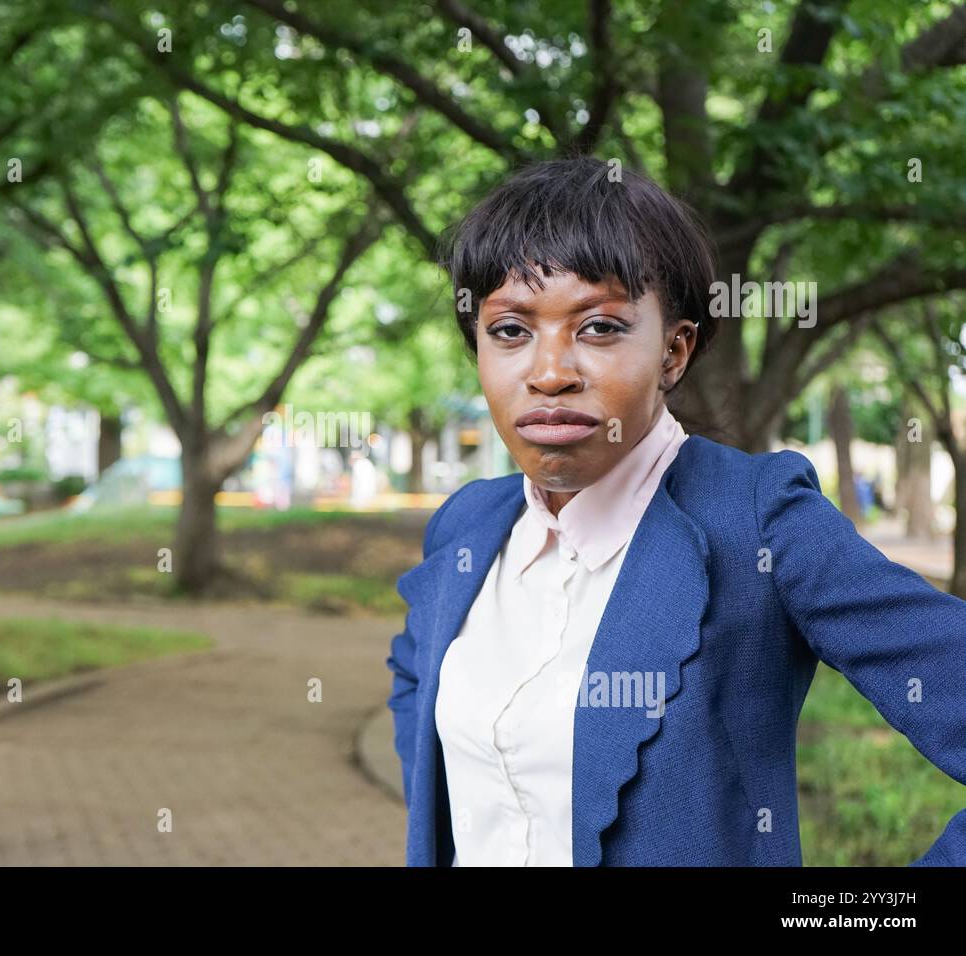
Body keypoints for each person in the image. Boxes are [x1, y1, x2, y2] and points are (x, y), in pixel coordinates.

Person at [384, 155, 966, 867]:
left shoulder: (759, 522)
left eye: (599, 327)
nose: (549, 372)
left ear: (674, 349)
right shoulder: (467, 526)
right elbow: (416, 681)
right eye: (511, 330)